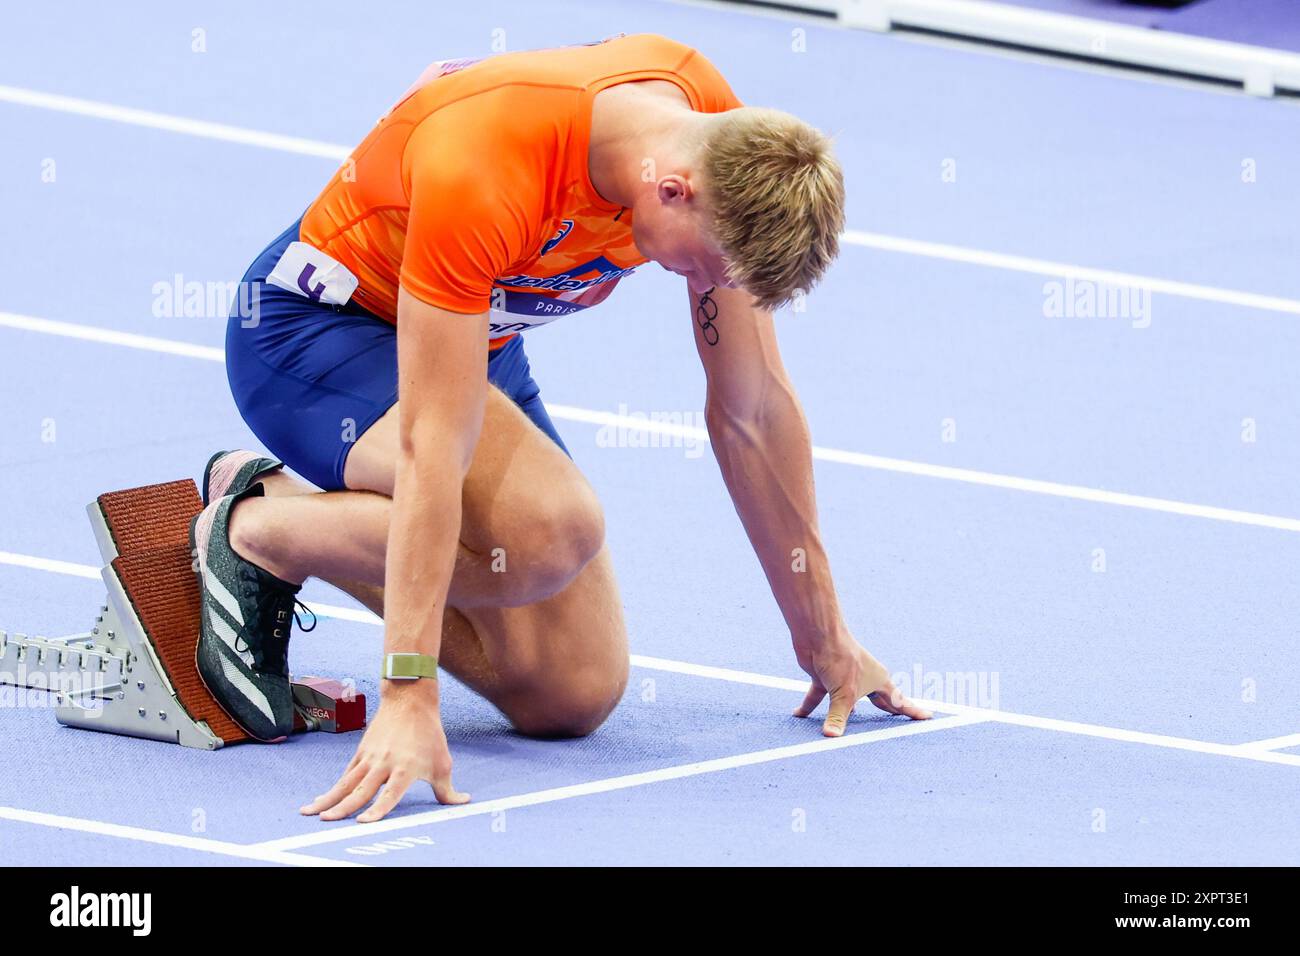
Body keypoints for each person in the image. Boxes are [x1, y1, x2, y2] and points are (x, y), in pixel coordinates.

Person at [190, 33, 929, 824]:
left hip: (471, 336)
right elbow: (433, 443)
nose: (713, 290)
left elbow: (751, 407)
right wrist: (408, 690)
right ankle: (257, 535)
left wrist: (824, 632)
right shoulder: (485, 164)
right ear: (674, 191)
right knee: (550, 530)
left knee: (573, 691)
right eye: (710, 266)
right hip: (317, 333)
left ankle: (283, 511)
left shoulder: (716, 138)